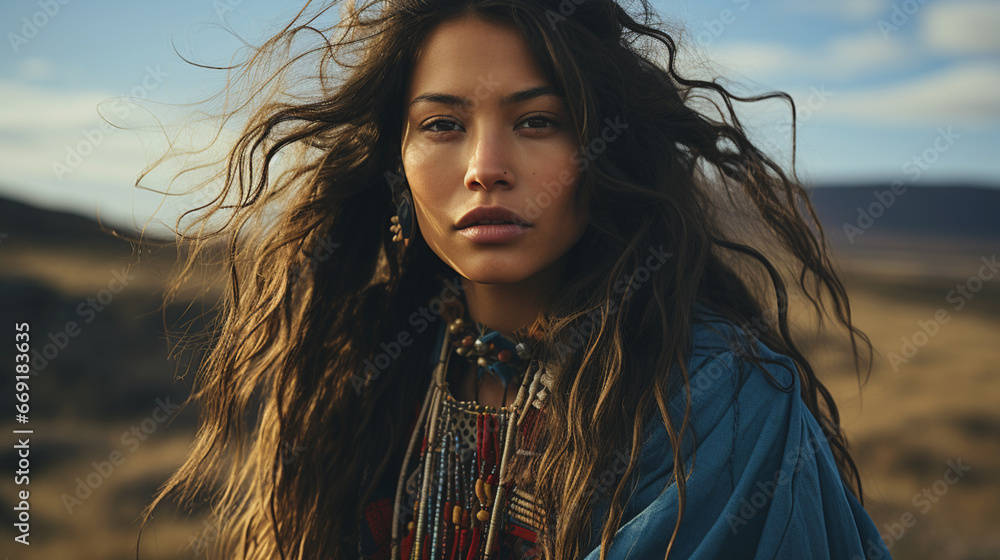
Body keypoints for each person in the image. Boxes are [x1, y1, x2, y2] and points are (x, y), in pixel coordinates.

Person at [135, 0, 893, 558]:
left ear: (603, 152)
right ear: (396, 163)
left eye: (537, 122)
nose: (485, 168)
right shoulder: (367, 371)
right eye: (442, 124)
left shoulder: (717, 399)